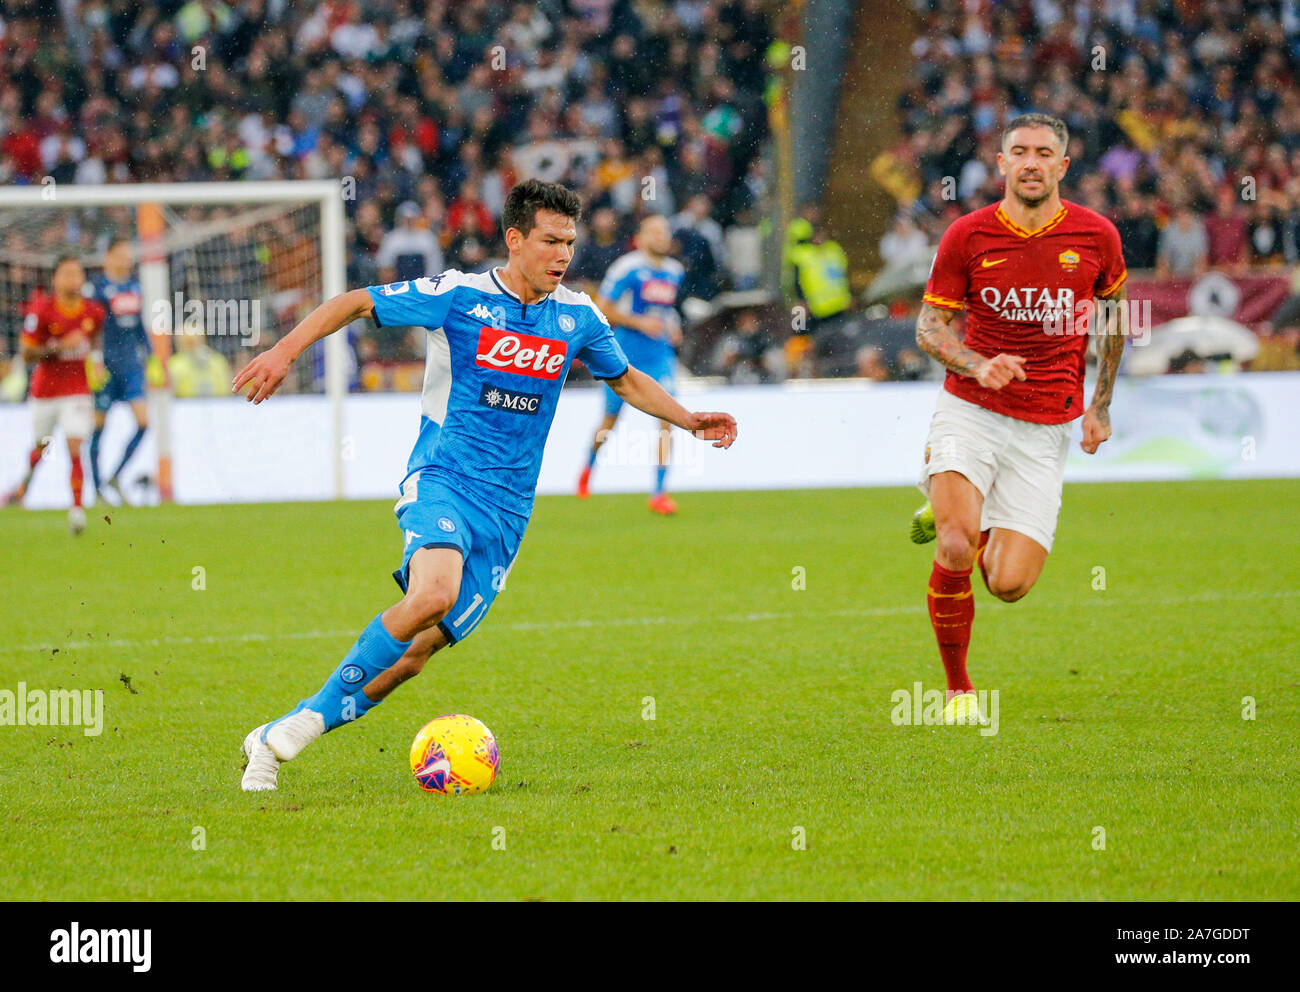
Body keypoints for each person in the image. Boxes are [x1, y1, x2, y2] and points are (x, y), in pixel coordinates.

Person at [232, 180, 737, 791]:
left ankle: (277, 732)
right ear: (515, 238)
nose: (562, 255)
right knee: (433, 593)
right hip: (443, 478)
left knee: (413, 658)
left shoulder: (577, 316)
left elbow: (626, 380)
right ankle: (299, 729)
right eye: (550, 241)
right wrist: (284, 352)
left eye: (570, 243)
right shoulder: (460, 296)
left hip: (508, 513)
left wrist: (688, 419)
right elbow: (356, 300)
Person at [909, 113, 1128, 724]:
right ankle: (958, 692)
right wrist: (977, 364)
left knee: (1008, 585)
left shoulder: (1097, 236)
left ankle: (962, 509)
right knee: (954, 547)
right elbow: (929, 327)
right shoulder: (967, 235)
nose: (1031, 162)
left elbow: (1113, 321)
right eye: (1019, 152)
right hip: (970, 407)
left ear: (1063, 166)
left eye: (1044, 153)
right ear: (1000, 164)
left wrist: (1100, 406)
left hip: (1046, 424)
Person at [576, 214, 686, 513]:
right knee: (610, 422)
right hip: (625, 355)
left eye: (664, 231)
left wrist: (672, 325)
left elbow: (664, 310)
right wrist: (638, 322)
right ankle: (587, 470)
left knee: (668, 419)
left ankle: (660, 493)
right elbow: (603, 310)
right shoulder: (628, 267)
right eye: (654, 231)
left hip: (659, 356)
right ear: (641, 237)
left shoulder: (675, 271)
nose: (661, 237)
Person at [6, 255, 106, 535]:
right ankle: (23, 487)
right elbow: (26, 354)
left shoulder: (93, 311)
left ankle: (77, 510)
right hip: (45, 393)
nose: (73, 279)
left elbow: (95, 336)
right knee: (42, 448)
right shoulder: (42, 311)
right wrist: (60, 347)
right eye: (67, 274)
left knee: (75, 446)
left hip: (77, 391)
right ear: (55, 279)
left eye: (77, 274)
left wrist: (96, 358)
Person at [88, 239, 153, 504]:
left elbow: (139, 327)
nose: (126, 260)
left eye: (129, 255)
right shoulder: (96, 288)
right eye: (121, 255)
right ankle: (97, 489)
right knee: (98, 428)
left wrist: (153, 359)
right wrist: (93, 360)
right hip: (105, 366)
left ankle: (115, 475)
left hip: (131, 366)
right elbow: (90, 328)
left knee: (143, 422)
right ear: (108, 258)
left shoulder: (135, 287)